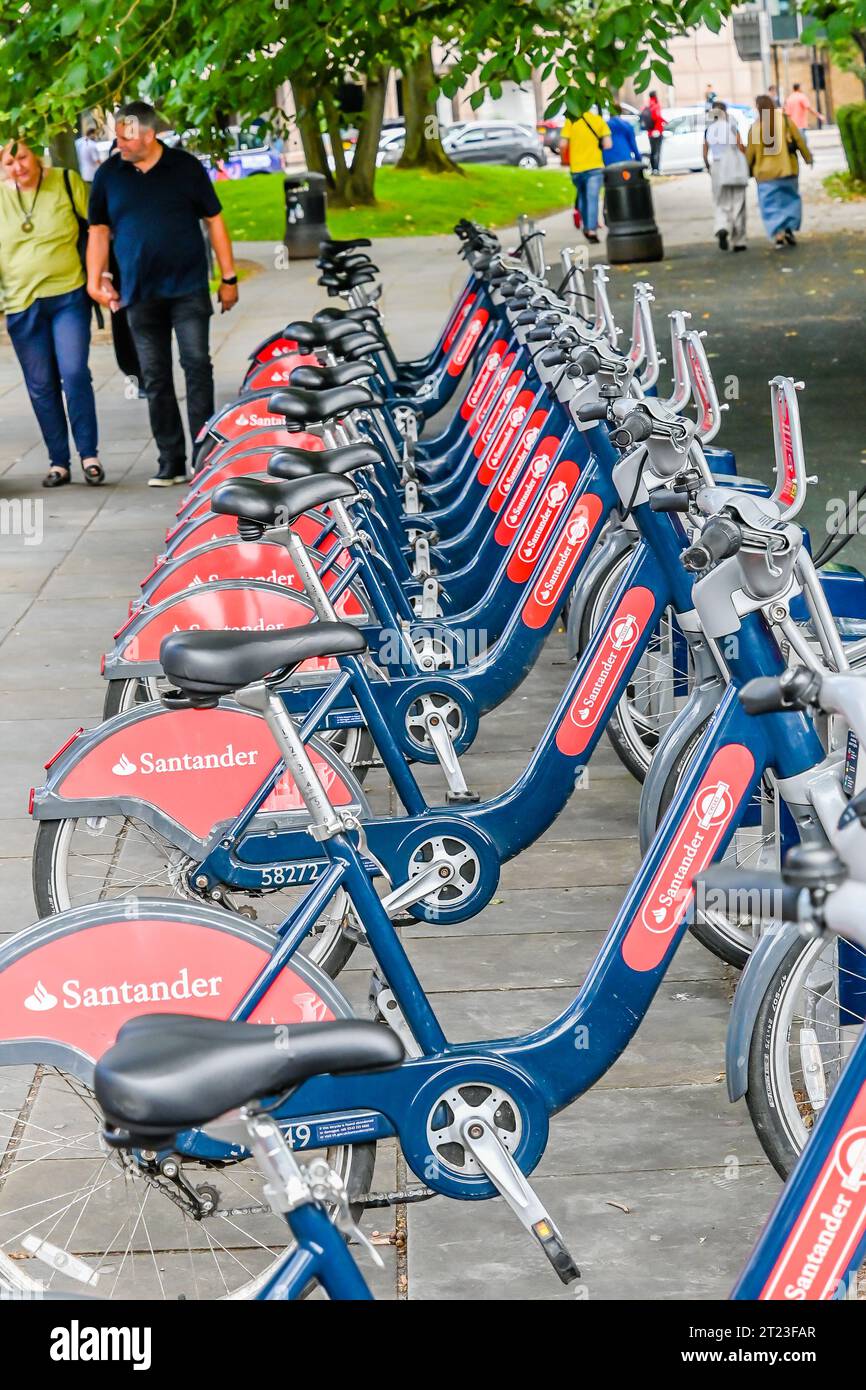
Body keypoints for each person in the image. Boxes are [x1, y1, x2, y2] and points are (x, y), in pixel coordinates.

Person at [86, 101, 239, 487]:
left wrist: (229, 277)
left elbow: (214, 220)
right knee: (153, 377)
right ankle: (170, 461)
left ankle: (205, 458)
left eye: (126, 136)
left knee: (197, 367)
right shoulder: (108, 175)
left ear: (150, 135)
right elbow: (98, 232)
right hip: (138, 292)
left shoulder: (185, 167)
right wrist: (94, 280)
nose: (118, 142)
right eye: (117, 136)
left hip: (187, 288)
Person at [0, 138, 104, 488]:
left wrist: (98, 275)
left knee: (74, 373)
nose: (19, 167)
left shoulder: (64, 180)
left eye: (23, 158)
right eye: (10, 163)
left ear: (36, 154)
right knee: (41, 386)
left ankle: (89, 454)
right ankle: (58, 461)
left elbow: (97, 228)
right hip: (20, 303)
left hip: (68, 295)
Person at [746, 93, 813, 249]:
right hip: (787, 169)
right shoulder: (784, 121)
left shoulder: (756, 127)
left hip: (765, 175)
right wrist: (807, 157)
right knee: (790, 200)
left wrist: (747, 170)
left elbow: (750, 153)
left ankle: (778, 233)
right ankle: (789, 228)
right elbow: (799, 141)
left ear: (758, 108)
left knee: (770, 206)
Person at [560, 109, 612, 244]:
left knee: (582, 197)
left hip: (576, 168)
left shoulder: (570, 121)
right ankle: (591, 229)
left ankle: (586, 226)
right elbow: (608, 144)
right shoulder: (598, 120)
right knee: (593, 198)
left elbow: (563, 144)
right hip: (595, 166)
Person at [703, 103, 749, 252]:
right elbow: (741, 146)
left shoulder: (708, 130)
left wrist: (709, 167)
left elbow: (704, 152)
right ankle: (739, 240)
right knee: (738, 201)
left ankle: (722, 226)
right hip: (734, 166)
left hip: (717, 166)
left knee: (720, 201)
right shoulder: (731, 127)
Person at [644, 91, 666, 174]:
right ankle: (656, 169)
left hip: (650, 132)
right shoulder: (656, 106)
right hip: (657, 131)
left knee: (653, 151)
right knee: (657, 151)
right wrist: (665, 122)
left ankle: (653, 169)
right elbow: (657, 117)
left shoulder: (648, 106)